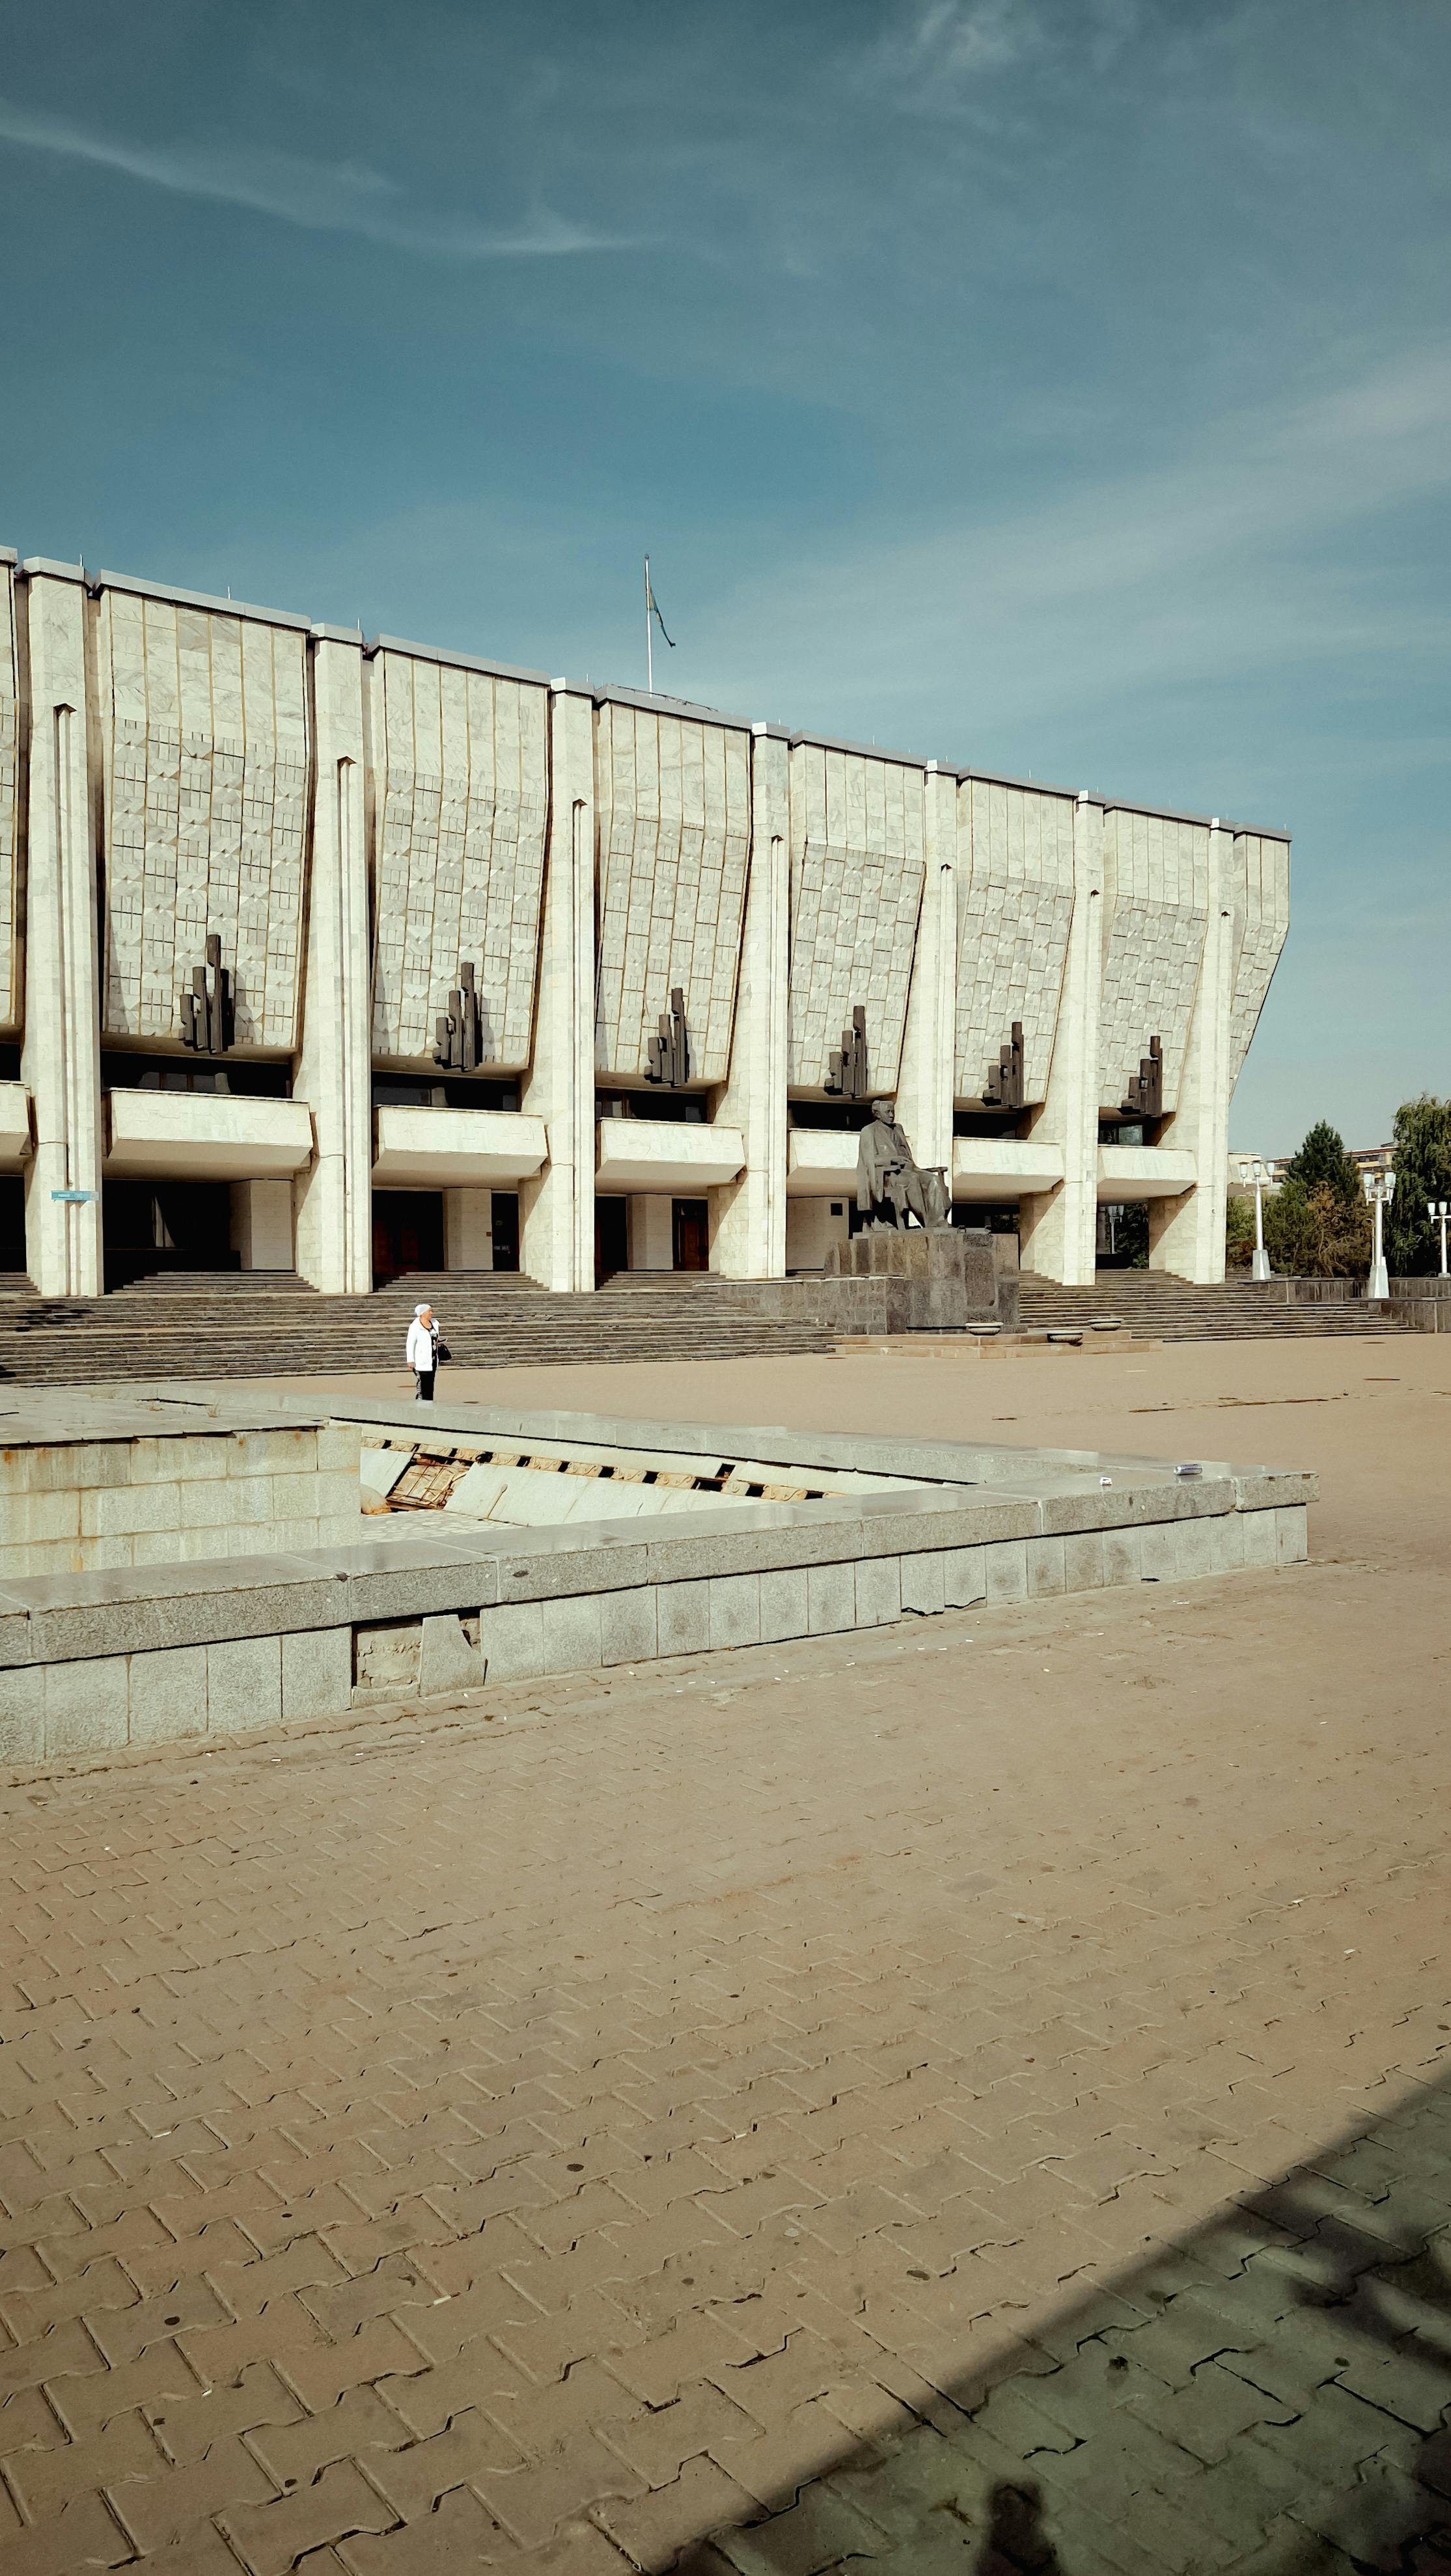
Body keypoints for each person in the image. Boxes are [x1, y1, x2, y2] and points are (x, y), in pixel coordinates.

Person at [406, 1302, 438, 1402]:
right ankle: (421, 1407)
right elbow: (410, 1343)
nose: (431, 1313)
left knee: (430, 1385)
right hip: (421, 1361)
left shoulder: (435, 1323)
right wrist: (410, 1360)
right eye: (429, 1311)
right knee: (422, 1386)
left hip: (432, 1360)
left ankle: (430, 1404)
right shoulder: (415, 1326)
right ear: (422, 1313)